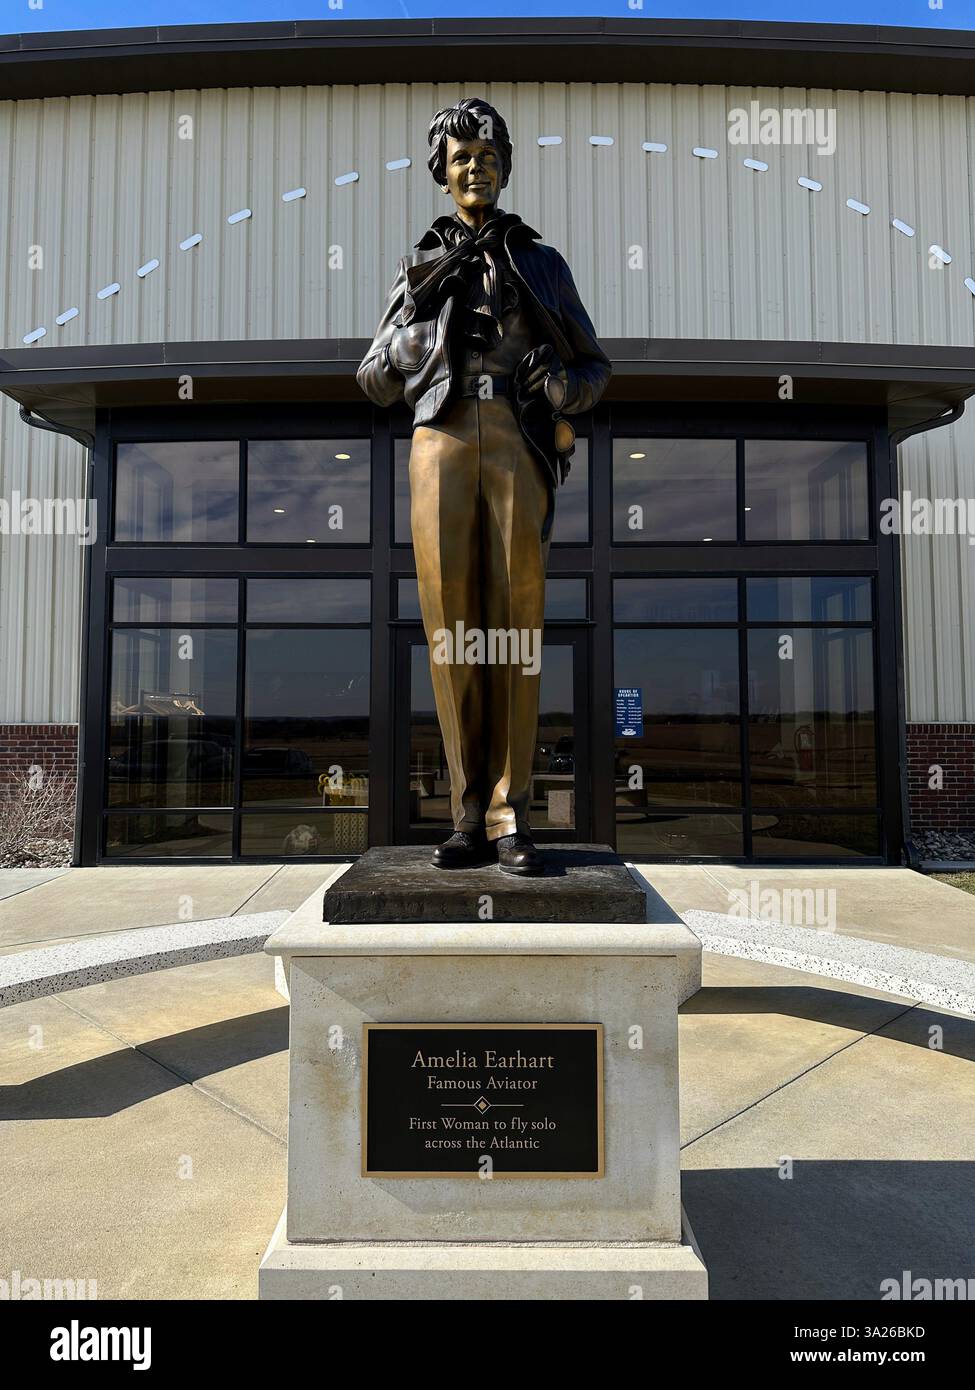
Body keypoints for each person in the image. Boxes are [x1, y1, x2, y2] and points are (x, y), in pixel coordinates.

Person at [357, 98, 611, 874]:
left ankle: (511, 814)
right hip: (437, 439)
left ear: (503, 167)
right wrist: (406, 347)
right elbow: (370, 377)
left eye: (488, 155)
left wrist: (561, 386)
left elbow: (594, 368)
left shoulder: (540, 263)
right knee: (452, 632)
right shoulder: (415, 269)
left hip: (513, 442)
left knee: (515, 629)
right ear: (442, 173)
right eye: (462, 157)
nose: (476, 168)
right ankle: (465, 812)